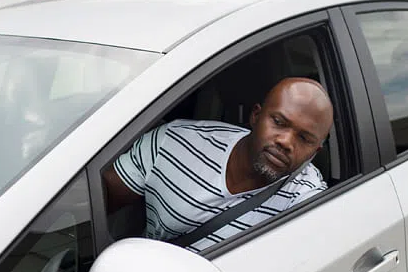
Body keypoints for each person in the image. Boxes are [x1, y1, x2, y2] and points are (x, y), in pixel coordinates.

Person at [103, 77, 334, 252]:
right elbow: (96, 208)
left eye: (304, 138)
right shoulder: (173, 142)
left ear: (314, 152)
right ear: (256, 116)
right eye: (278, 122)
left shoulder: (308, 202)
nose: (286, 142)